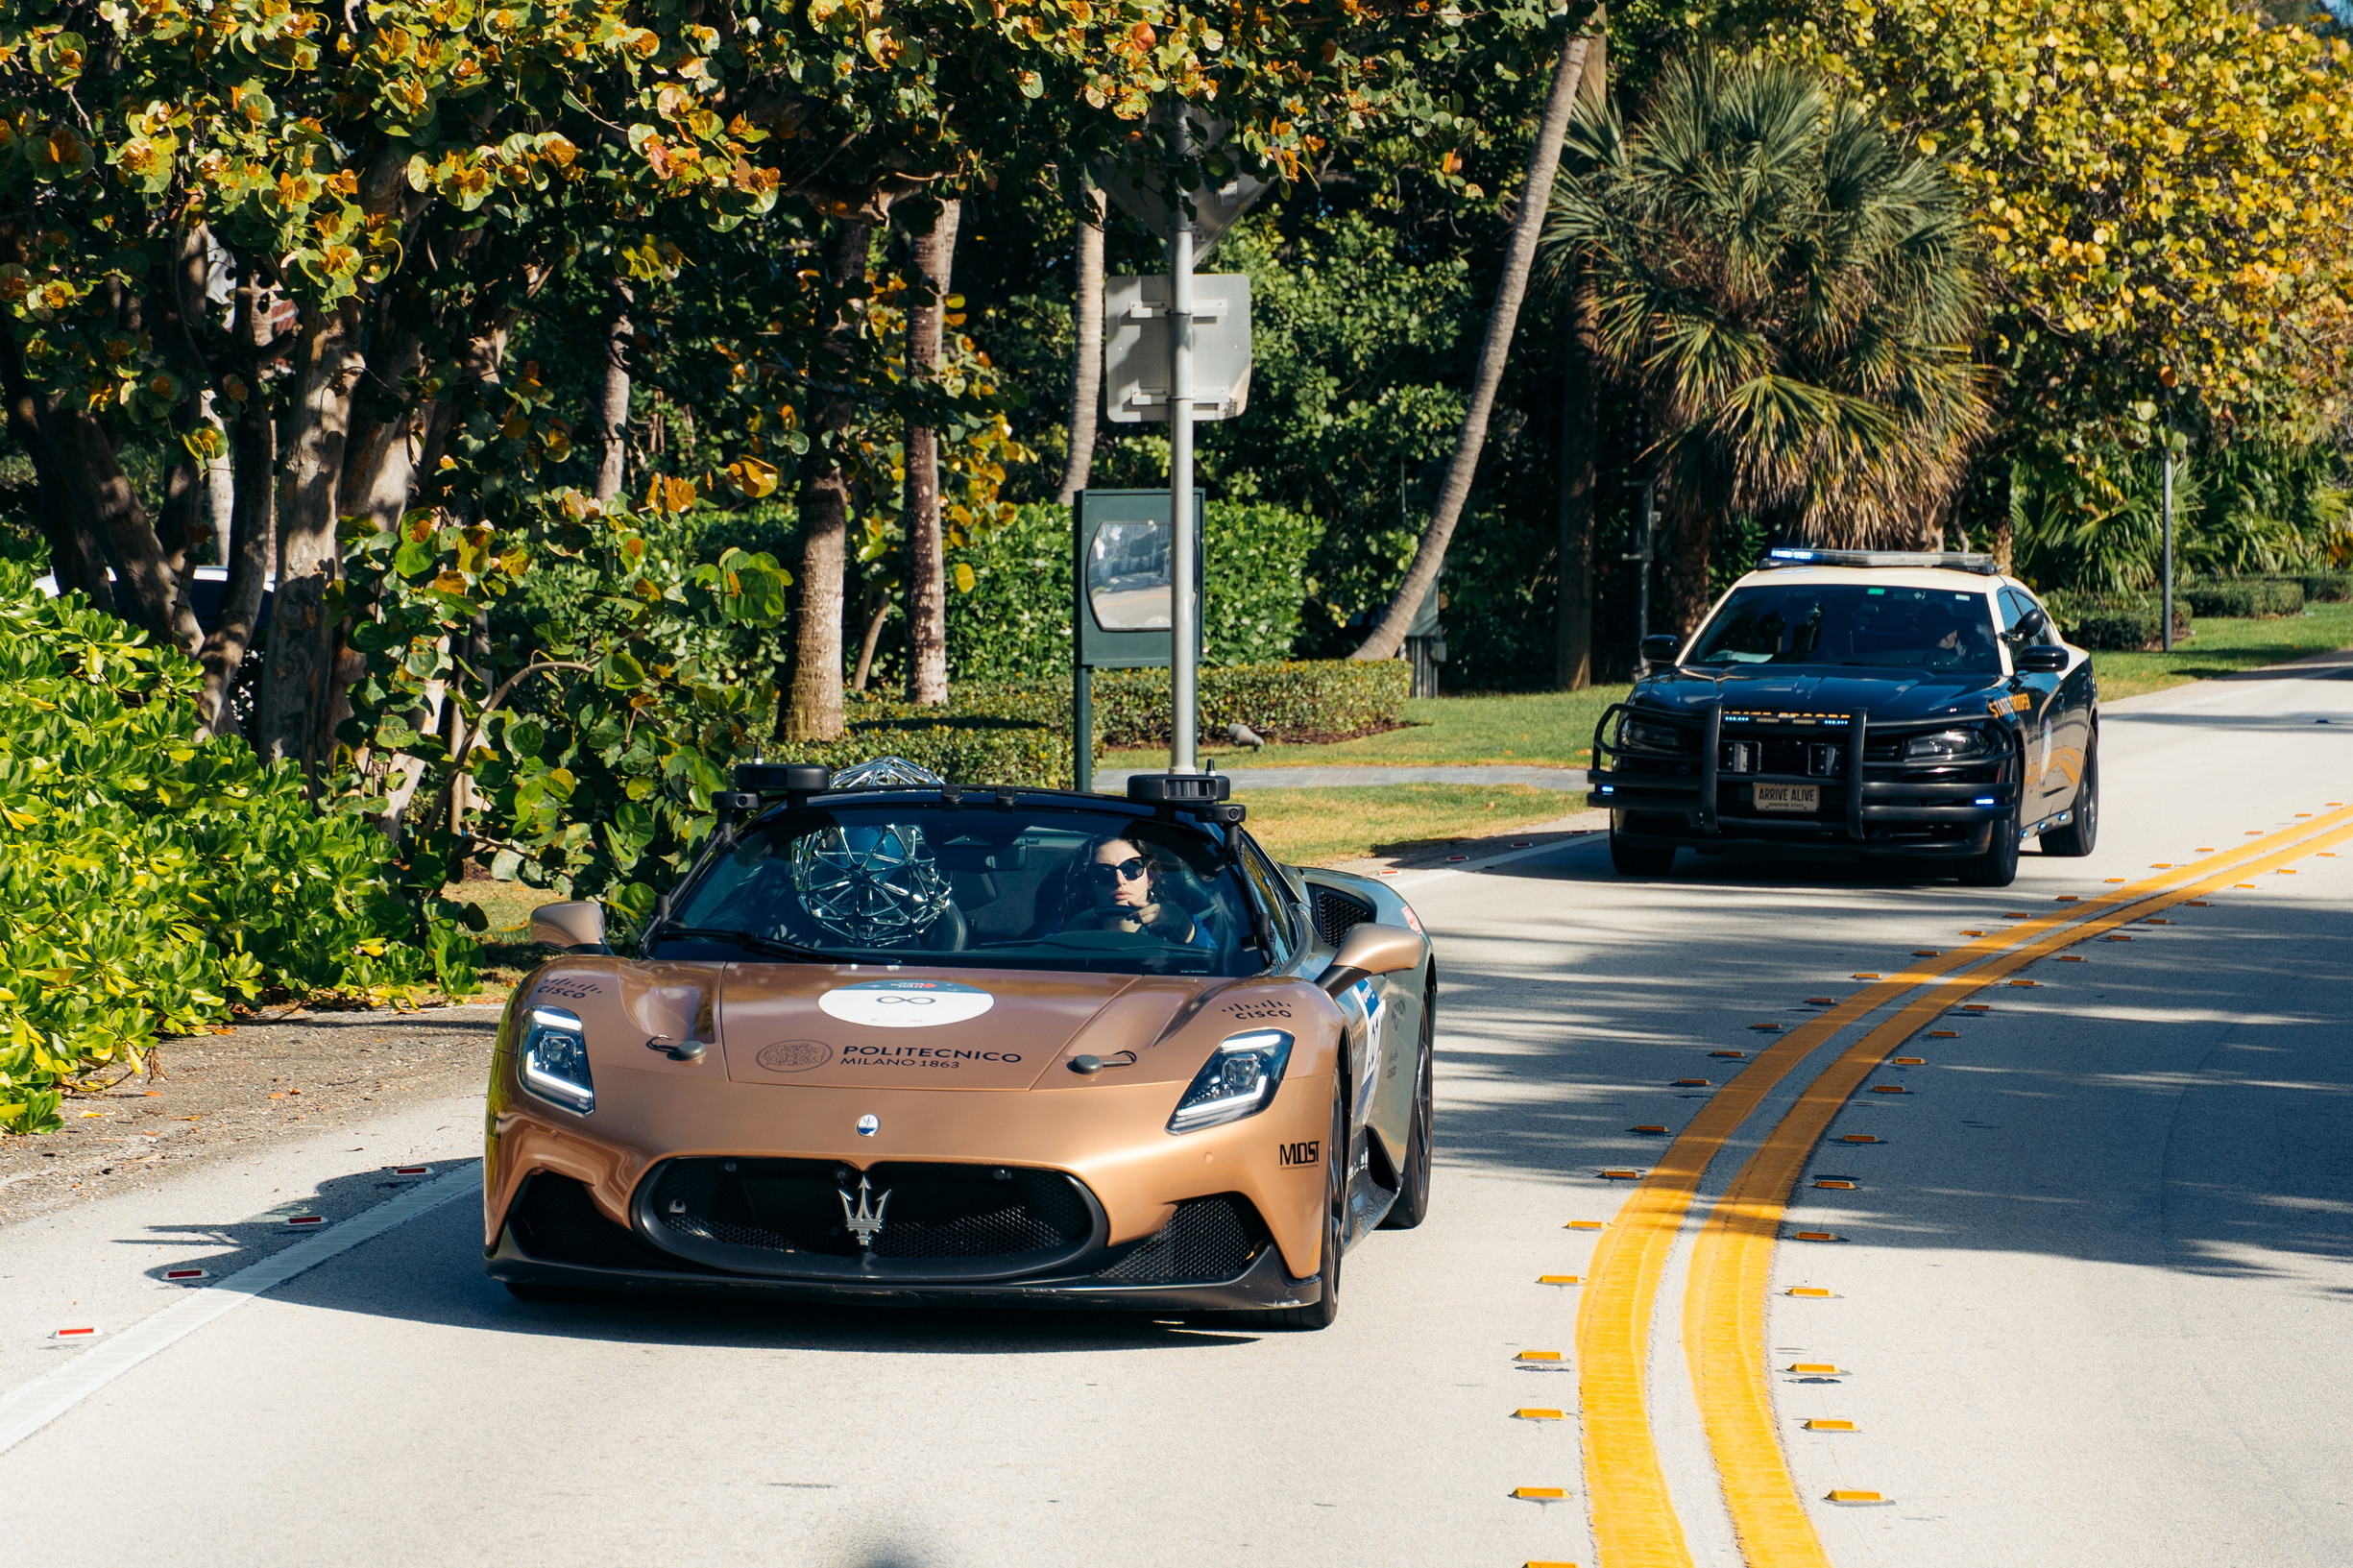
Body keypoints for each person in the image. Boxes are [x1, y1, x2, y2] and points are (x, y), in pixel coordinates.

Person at [1060, 836, 1203, 944]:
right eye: (1103, 873)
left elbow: (1215, 964)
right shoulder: (1067, 925)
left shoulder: (1180, 923)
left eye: (1131, 868)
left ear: (1150, 879)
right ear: (1089, 887)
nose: (1119, 880)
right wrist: (1070, 935)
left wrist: (1184, 926)